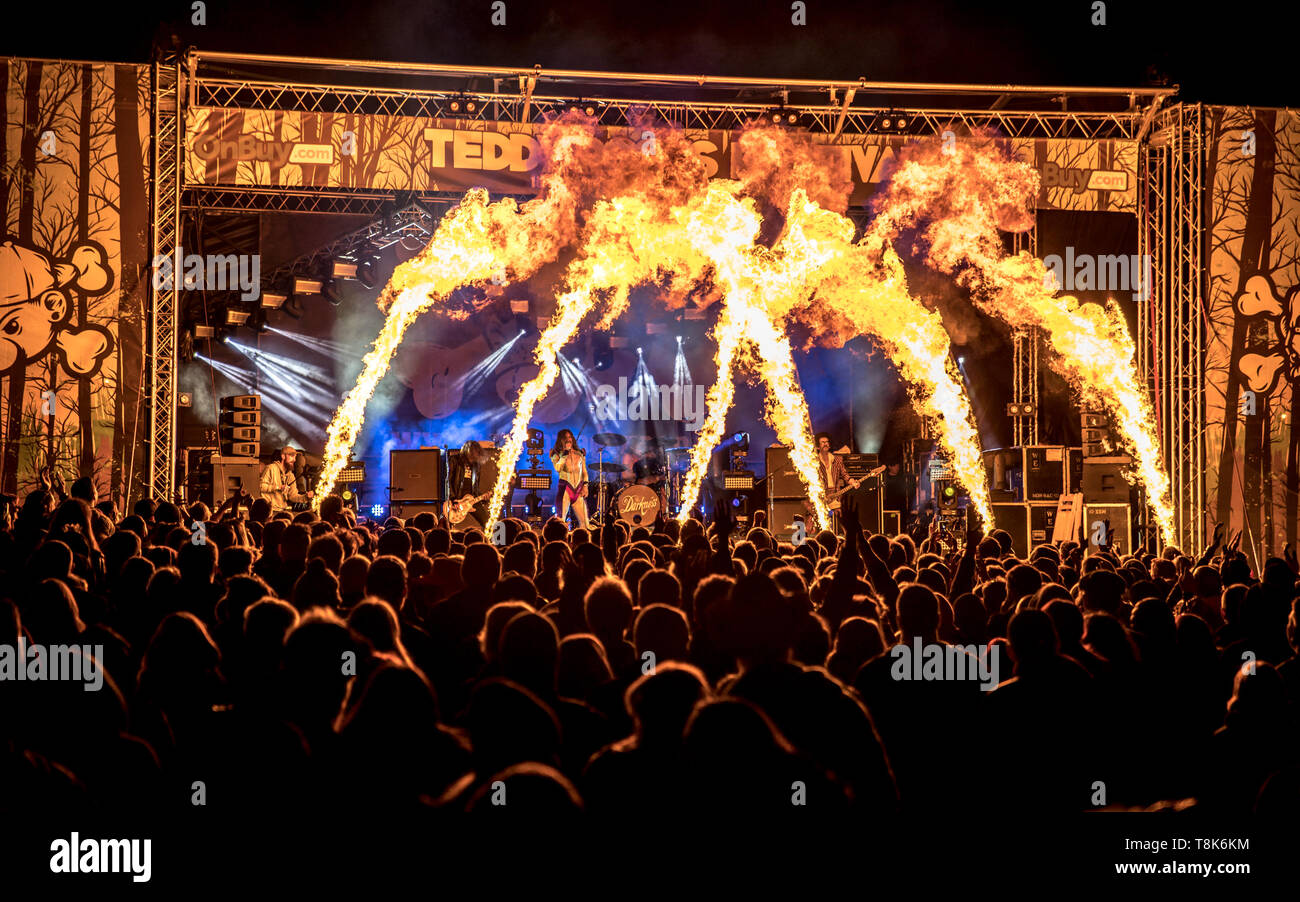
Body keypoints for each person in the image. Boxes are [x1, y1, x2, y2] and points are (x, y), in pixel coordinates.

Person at [551, 429, 590, 529]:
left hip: (578, 490)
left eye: (570, 437)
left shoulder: (580, 454)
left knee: (585, 524)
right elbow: (558, 468)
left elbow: (584, 472)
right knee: (561, 522)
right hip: (565, 489)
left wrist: (585, 486)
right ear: (561, 440)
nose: (569, 440)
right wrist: (564, 455)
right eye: (566, 438)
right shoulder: (556, 453)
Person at [448, 441, 491, 530]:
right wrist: (452, 499)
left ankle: (490, 542)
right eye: (472, 454)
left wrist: (483, 498)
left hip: (471, 499)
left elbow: (475, 487)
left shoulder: (476, 466)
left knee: (488, 522)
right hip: (456, 500)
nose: (473, 458)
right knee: (447, 525)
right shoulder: (454, 460)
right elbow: (447, 481)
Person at [261, 446, 312, 512]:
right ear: (283, 456)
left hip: (281, 511)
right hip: (269, 511)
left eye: (295, 457)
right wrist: (278, 487)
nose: (294, 460)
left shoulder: (291, 475)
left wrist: (305, 497)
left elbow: (293, 496)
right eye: (291, 456)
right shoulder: (271, 468)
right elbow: (261, 486)